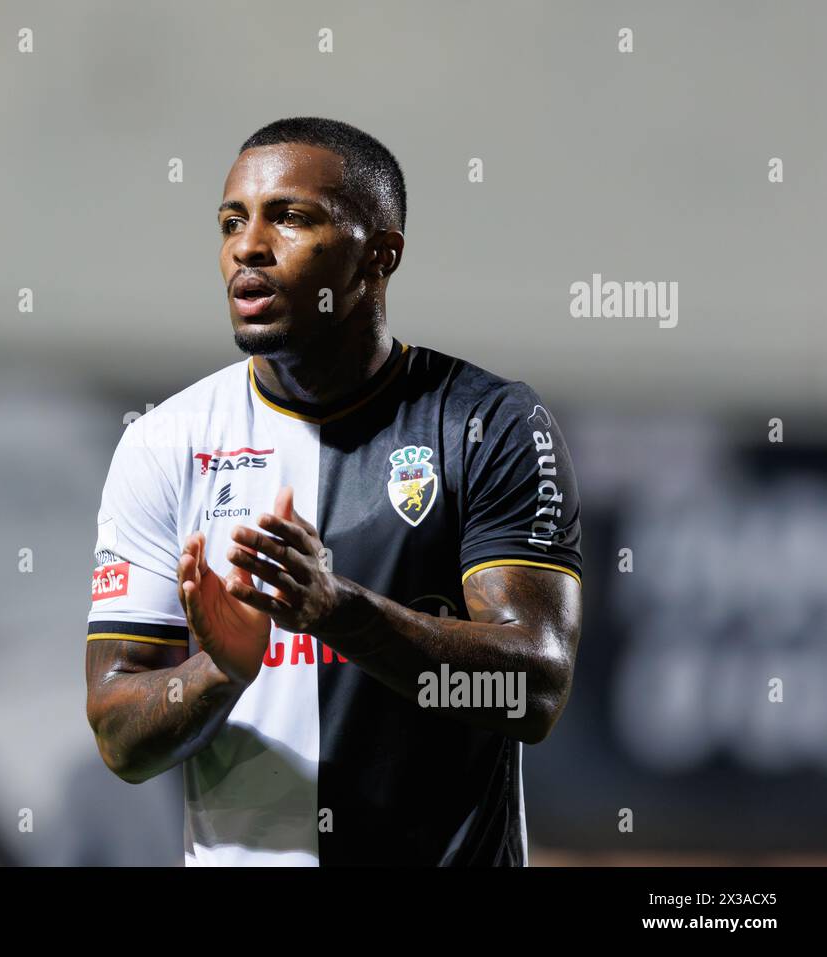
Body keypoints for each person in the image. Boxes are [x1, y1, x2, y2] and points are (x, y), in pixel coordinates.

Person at [85, 117, 582, 866]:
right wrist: (219, 670)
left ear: (380, 254)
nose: (248, 247)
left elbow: (533, 691)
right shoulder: (165, 442)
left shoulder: (486, 422)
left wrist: (336, 612)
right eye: (232, 221)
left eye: (290, 217)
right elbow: (121, 738)